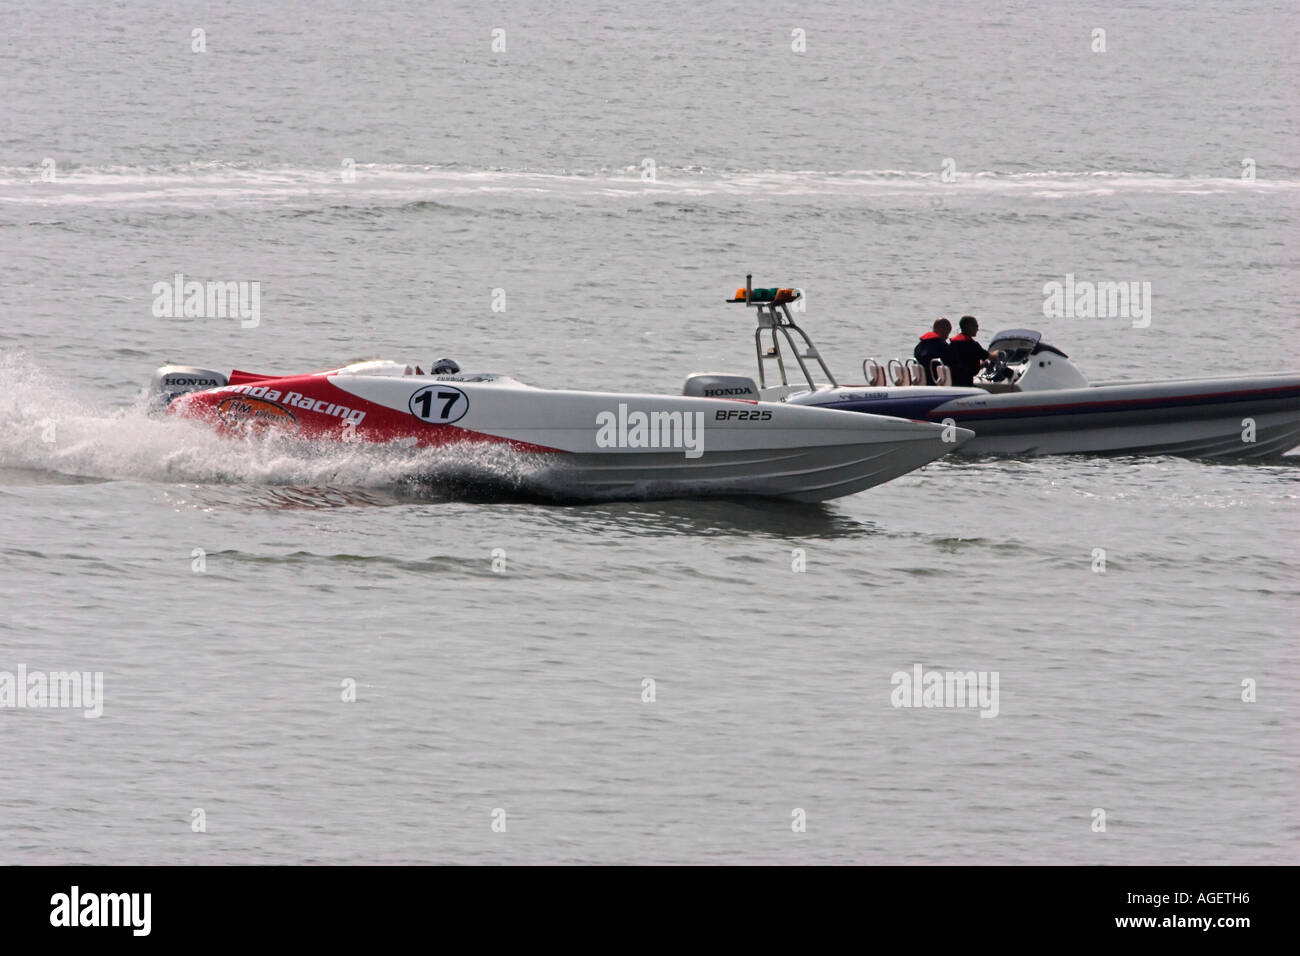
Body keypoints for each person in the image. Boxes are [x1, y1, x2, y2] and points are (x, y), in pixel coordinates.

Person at [947, 315, 991, 387]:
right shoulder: (973, 345)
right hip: (966, 384)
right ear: (969, 327)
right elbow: (990, 357)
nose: (977, 329)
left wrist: (982, 365)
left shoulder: (952, 344)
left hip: (954, 384)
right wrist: (997, 354)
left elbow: (964, 365)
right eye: (976, 326)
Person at [913, 318, 952, 385]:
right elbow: (950, 365)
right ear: (939, 329)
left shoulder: (919, 346)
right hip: (935, 382)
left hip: (921, 382)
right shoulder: (942, 346)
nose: (947, 336)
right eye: (946, 332)